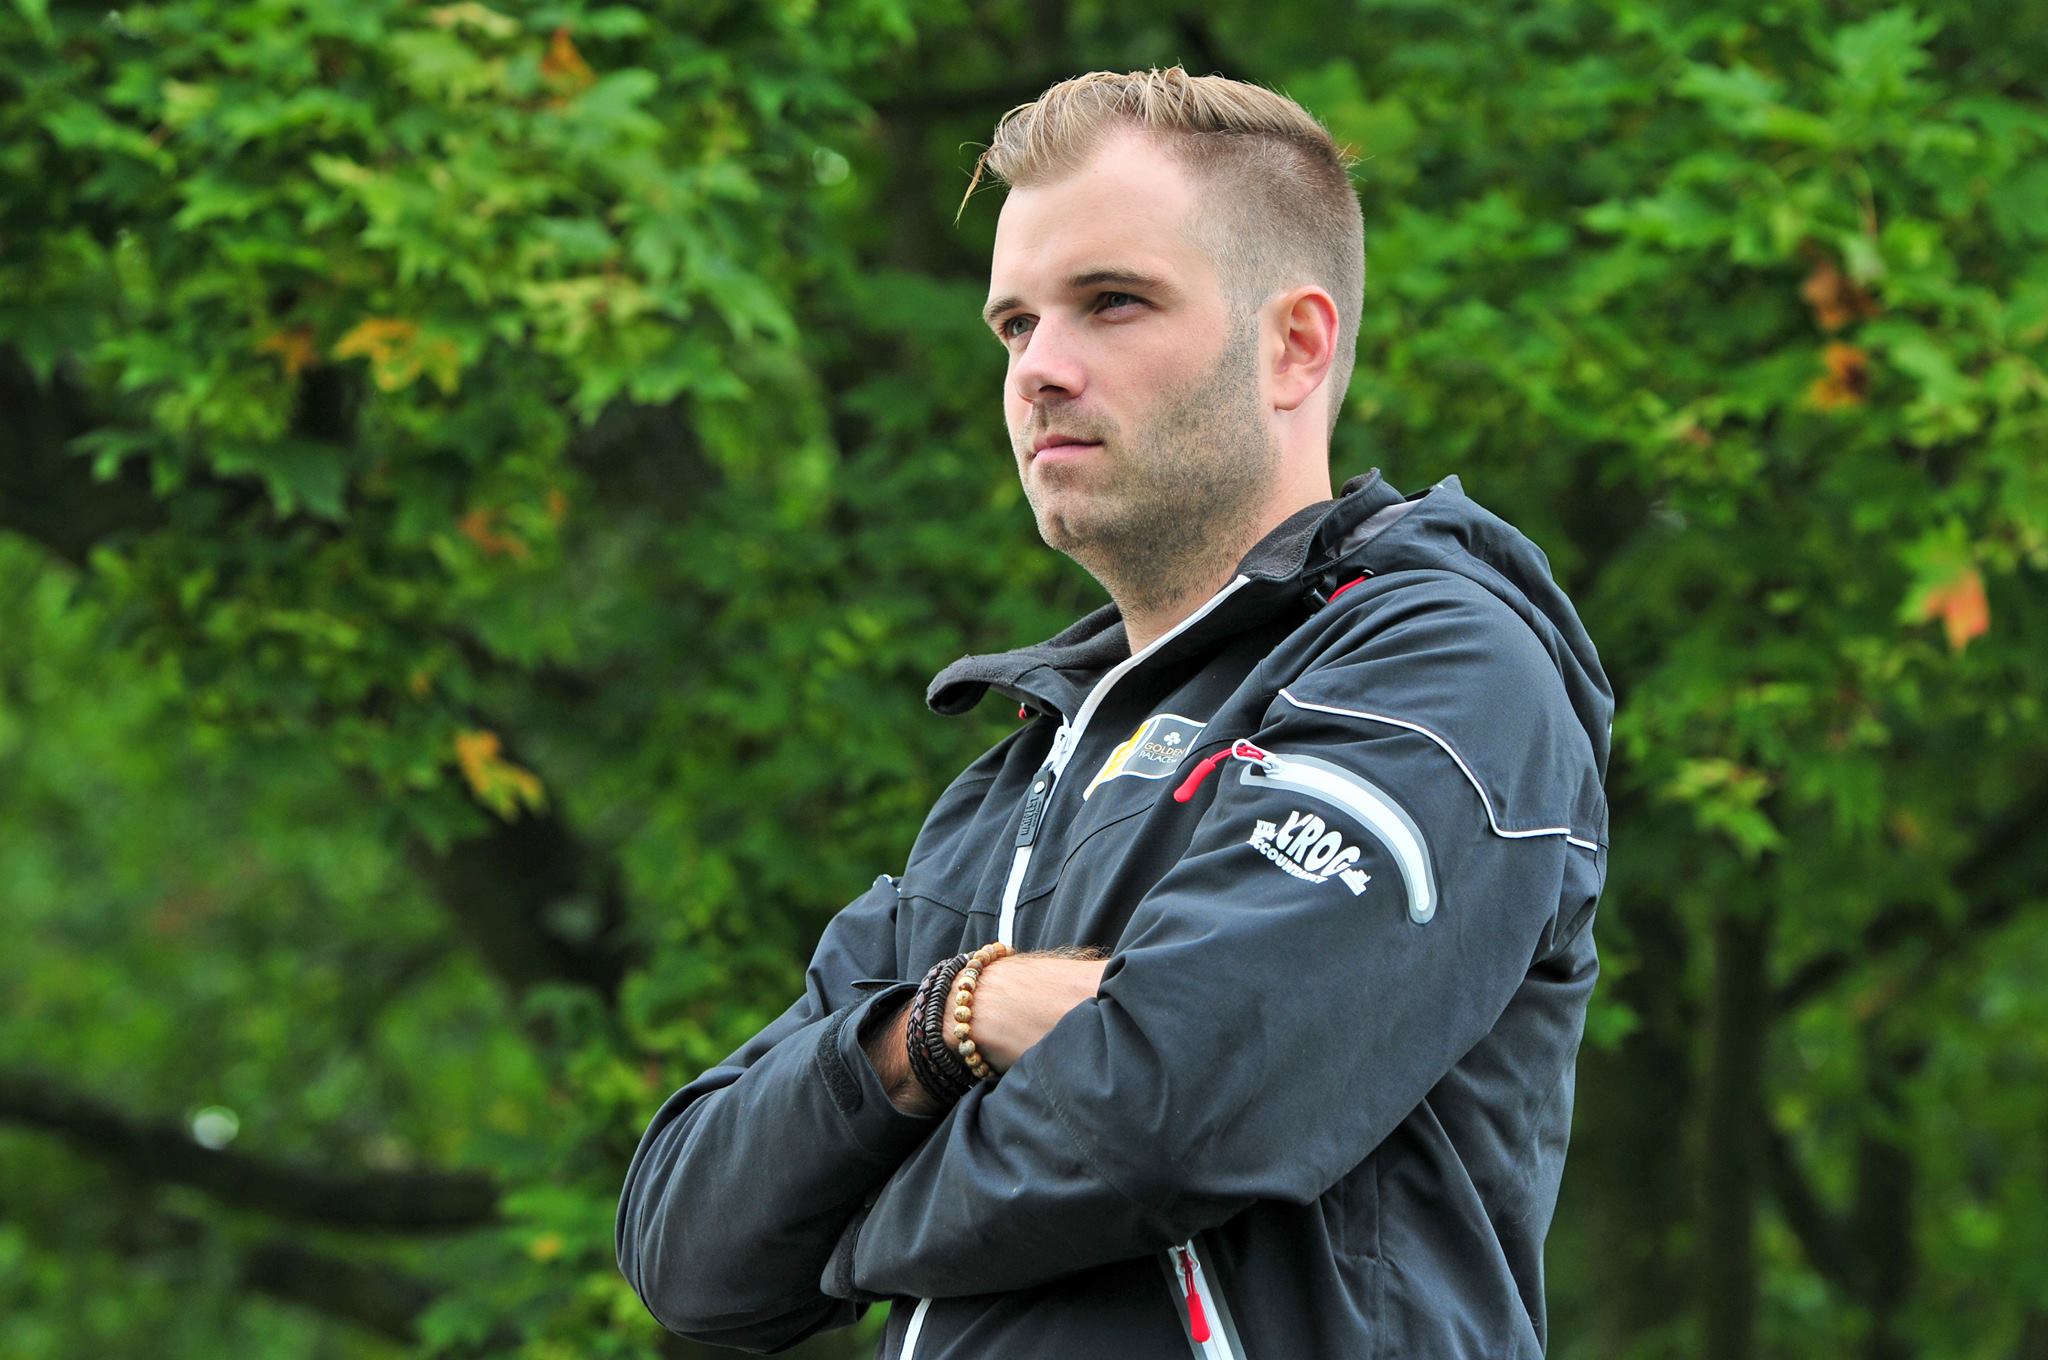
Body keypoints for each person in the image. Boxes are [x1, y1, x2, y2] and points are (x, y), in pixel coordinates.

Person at [616, 66, 1611, 1360]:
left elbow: (1179, 1105)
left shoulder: (1442, 669)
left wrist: (857, 1229)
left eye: (1113, 303)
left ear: (1295, 344)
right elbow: (690, 1246)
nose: (1041, 369)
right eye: (1015, 324)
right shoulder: (1013, 786)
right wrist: (953, 1019)